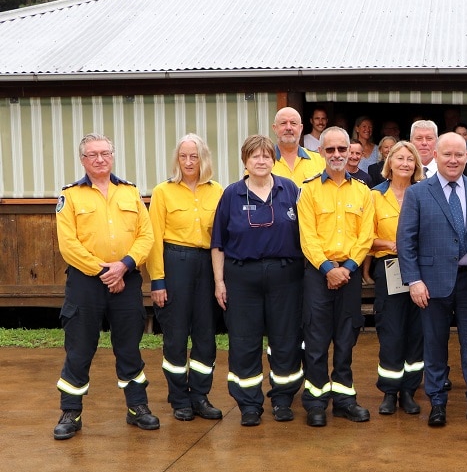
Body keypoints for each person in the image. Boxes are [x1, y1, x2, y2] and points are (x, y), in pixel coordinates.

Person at [53, 133, 157, 440]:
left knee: (129, 347)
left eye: (105, 153)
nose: (100, 159)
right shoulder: (70, 196)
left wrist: (124, 265)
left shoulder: (131, 193)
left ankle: (137, 407)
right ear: (82, 160)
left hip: (126, 277)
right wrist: (105, 272)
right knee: (80, 348)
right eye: (93, 155)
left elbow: (146, 236)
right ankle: (71, 412)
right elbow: (68, 245)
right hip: (86, 283)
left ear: (112, 156)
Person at [397, 132, 467, 428]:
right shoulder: (418, 193)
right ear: (434, 155)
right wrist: (414, 280)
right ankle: (438, 404)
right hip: (431, 284)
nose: (454, 160)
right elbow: (406, 241)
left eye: (460, 155)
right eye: (447, 154)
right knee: (434, 345)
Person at [211, 135, 304, 427]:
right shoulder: (231, 194)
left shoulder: (289, 189)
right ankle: (249, 404)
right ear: (245, 161)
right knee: (244, 341)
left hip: (285, 275)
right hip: (242, 276)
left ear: (273, 160)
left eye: (266, 156)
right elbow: (218, 244)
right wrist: (219, 282)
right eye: (254, 156)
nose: (261, 161)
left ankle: (283, 398)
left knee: (285, 339)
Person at [297, 127, 376, 427]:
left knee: (346, 339)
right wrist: (329, 269)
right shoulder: (309, 191)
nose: (337, 155)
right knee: (316, 340)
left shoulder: (362, 191)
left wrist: (349, 268)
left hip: (350, 274)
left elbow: (365, 235)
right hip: (319, 274)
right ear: (321, 153)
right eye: (330, 150)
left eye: (341, 149)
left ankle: (344, 400)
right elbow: (308, 237)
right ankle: (316, 402)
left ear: (349, 151)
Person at [148, 134, 224, 422]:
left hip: (207, 264)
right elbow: (154, 239)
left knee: (205, 335)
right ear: (177, 159)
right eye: (184, 156)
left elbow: (222, 237)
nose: (189, 161)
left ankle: (200, 396)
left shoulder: (217, 191)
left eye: (194, 156)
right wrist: (158, 280)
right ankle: (179, 398)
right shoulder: (163, 192)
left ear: (203, 158)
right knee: (176, 336)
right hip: (174, 261)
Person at [370, 141, 425, 416]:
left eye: (410, 159)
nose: (405, 163)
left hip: (421, 270)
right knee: (391, 331)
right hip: (389, 267)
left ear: (416, 165)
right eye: (399, 158)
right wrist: (392, 243)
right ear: (388, 163)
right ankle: (390, 392)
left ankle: (409, 391)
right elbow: (365, 237)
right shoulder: (374, 196)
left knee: (417, 331)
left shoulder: (425, 194)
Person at [270, 107, 325, 186]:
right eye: (283, 123)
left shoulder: (320, 160)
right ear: (274, 128)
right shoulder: (262, 161)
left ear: (301, 128)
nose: (288, 128)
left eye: (293, 123)